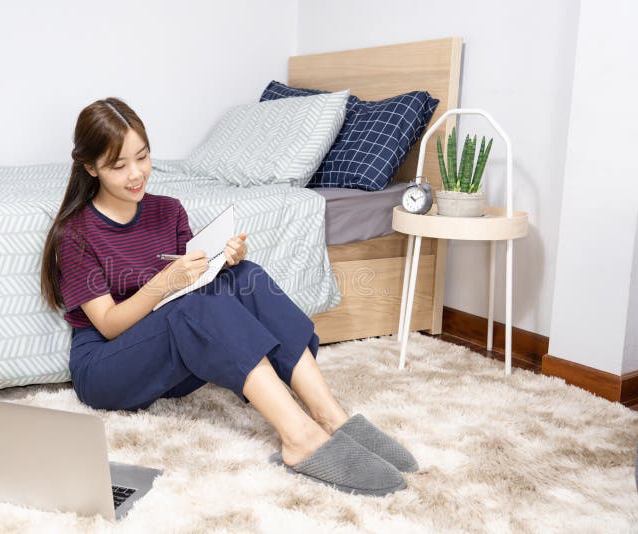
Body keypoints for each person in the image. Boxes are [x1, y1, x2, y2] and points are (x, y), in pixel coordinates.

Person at [40, 97, 418, 497]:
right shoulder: (77, 233)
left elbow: (195, 287)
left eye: (143, 157)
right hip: (106, 368)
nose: (136, 174)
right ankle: (299, 437)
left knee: (245, 275)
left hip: (168, 360)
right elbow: (110, 325)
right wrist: (167, 282)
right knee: (191, 307)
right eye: (118, 166)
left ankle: (332, 416)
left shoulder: (167, 211)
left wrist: (223, 260)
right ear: (91, 168)